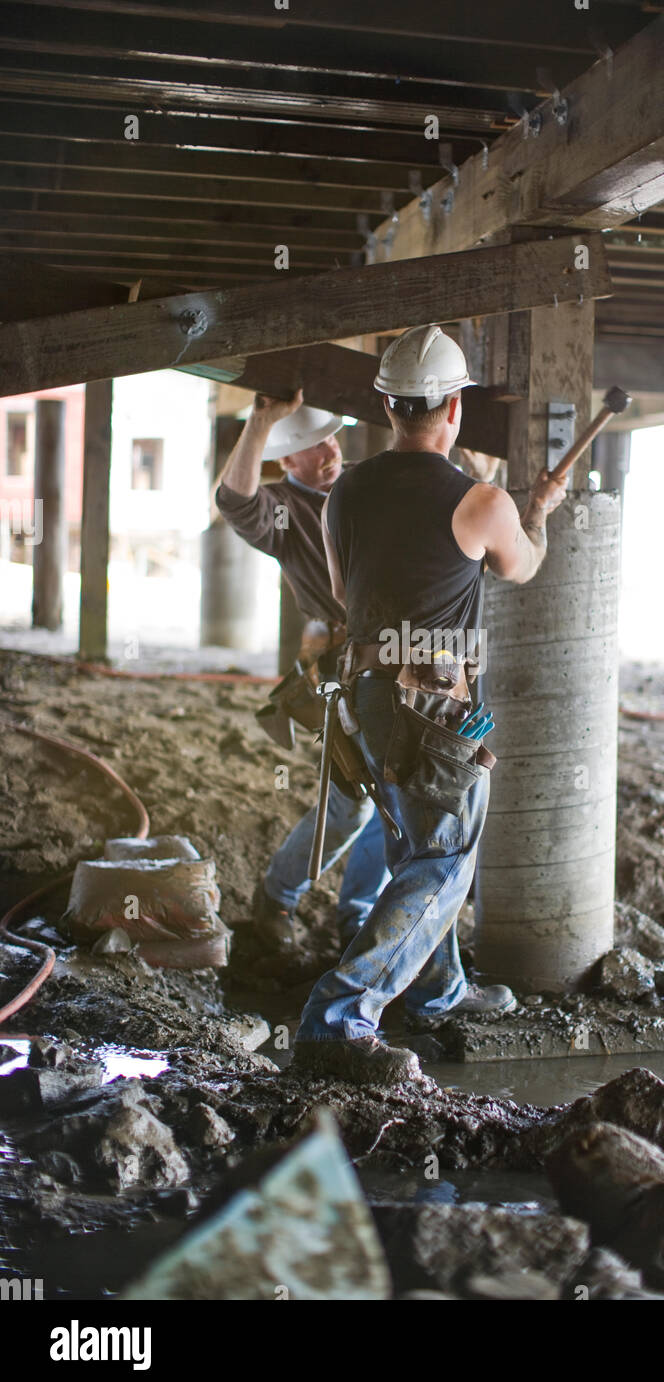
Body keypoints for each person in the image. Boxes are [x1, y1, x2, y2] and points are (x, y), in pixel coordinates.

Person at [293, 325, 568, 1082]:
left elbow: (348, 594)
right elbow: (524, 567)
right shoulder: (480, 502)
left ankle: (441, 991)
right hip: (439, 708)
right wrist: (534, 508)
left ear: (388, 404)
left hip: (369, 697)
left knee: (420, 848)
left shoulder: (344, 490)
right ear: (456, 408)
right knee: (444, 860)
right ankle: (336, 1017)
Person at [215, 392, 390, 958]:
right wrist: (261, 422)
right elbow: (233, 501)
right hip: (345, 671)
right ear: (287, 461)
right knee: (351, 804)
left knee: (391, 801)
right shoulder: (283, 512)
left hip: (400, 664)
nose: (330, 452)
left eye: (330, 439)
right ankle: (277, 898)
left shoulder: (368, 479)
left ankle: (357, 916)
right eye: (313, 449)